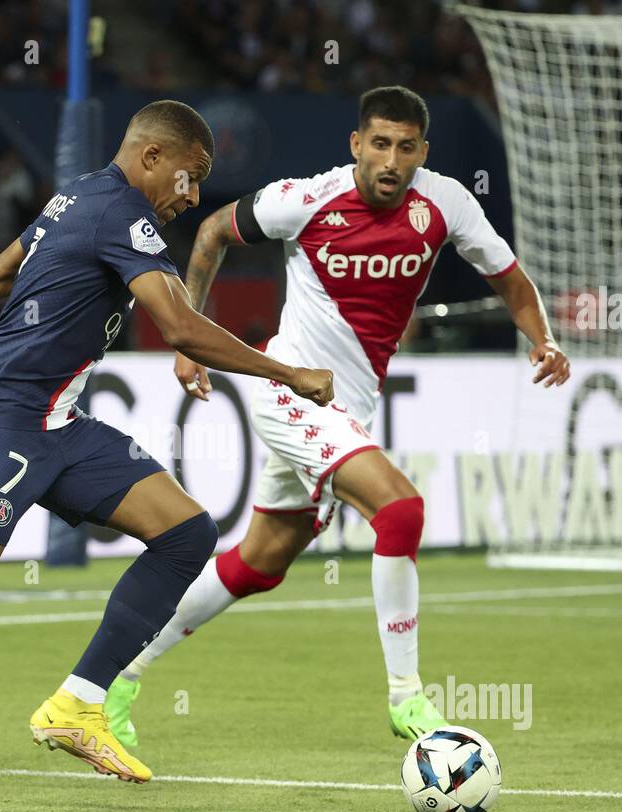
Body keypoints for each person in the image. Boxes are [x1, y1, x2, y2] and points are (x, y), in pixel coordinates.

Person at [0, 99, 333, 812]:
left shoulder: (74, 194)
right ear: (150, 158)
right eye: (190, 176)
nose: (193, 195)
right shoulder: (122, 216)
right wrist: (287, 371)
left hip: (55, 424)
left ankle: (79, 702)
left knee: (185, 532)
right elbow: (179, 327)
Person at [104, 85, 571, 746]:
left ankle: (118, 674)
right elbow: (211, 231)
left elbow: (510, 278)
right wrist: (190, 337)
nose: (392, 160)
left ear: (422, 153)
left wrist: (542, 338)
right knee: (401, 511)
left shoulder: (446, 203)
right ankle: (407, 697)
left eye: (406, 148)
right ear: (356, 144)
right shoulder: (306, 199)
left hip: (347, 408)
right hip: (290, 391)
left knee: (259, 562)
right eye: (379, 144)